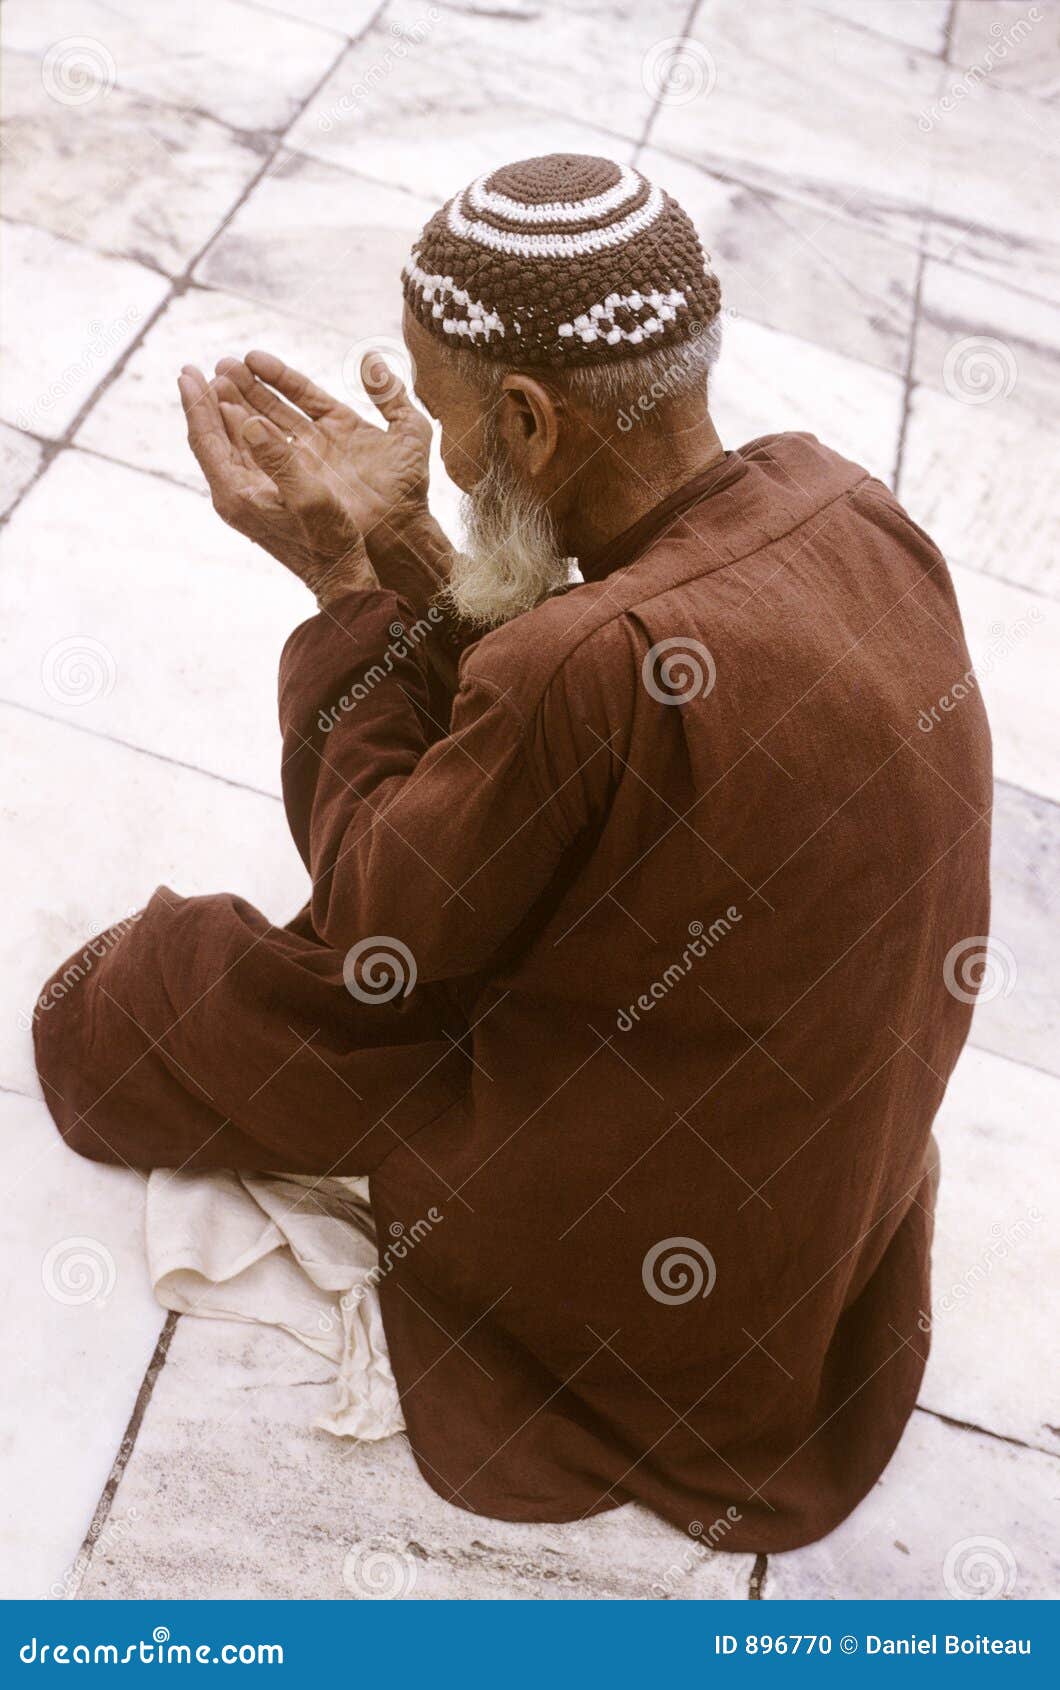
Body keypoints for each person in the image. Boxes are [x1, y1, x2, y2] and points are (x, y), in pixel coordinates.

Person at [34, 153, 992, 1550]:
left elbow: (379, 932)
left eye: (447, 420)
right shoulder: (844, 505)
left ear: (532, 420)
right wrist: (413, 538)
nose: (445, 457)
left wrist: (343, 588)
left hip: (643, 1287)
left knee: (126, 1002)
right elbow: (581, 708)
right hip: (827, 1243)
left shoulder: (579, 669)